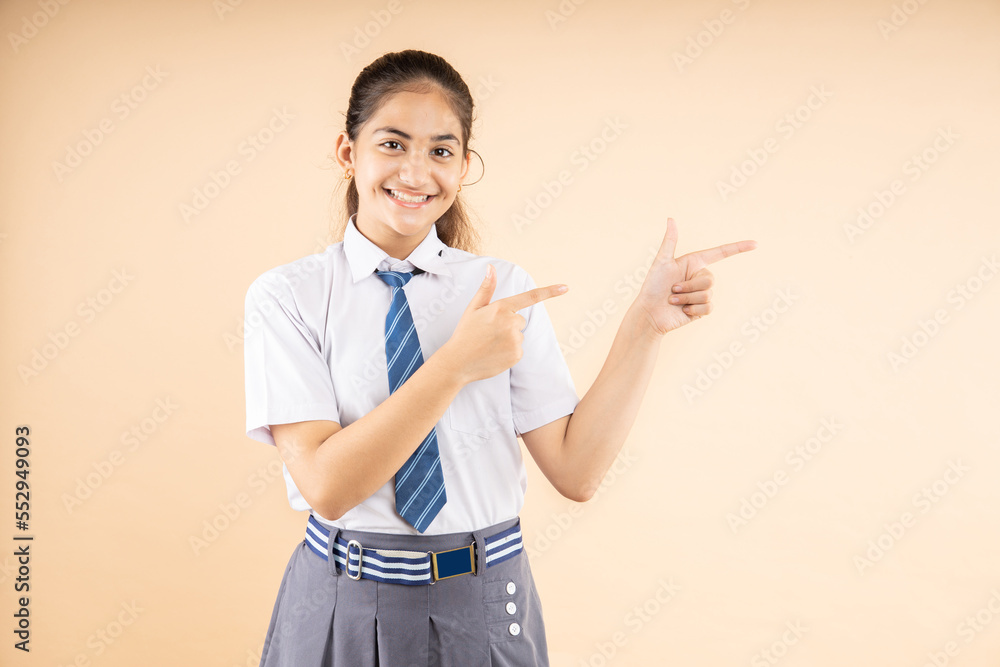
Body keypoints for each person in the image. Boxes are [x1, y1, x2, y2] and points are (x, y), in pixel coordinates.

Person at [243, 48, 756, 667]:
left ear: (463, 166)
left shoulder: (503, 289)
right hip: (337, 603)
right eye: (392, 143)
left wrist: (645, 326)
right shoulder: (289, 295)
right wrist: (455, 364)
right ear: (349, 153)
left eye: (441, 151)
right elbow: (326, 486)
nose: (415, 172)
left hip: (484, 603)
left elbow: (576, 471)